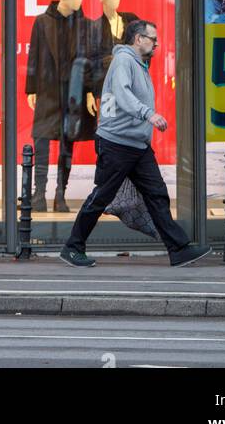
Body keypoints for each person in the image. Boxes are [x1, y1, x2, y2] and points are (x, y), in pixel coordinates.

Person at [59, 19, 211, 268]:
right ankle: (73, 247)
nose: (157, 43)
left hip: (137, 146)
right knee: (101, 197)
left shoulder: (138, 63)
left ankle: (179, 250)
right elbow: (122, 93)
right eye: (152, 38)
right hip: (117, 144)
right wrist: (148, 114)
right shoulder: (124, 61)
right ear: (138, 39)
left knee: (157, 194)